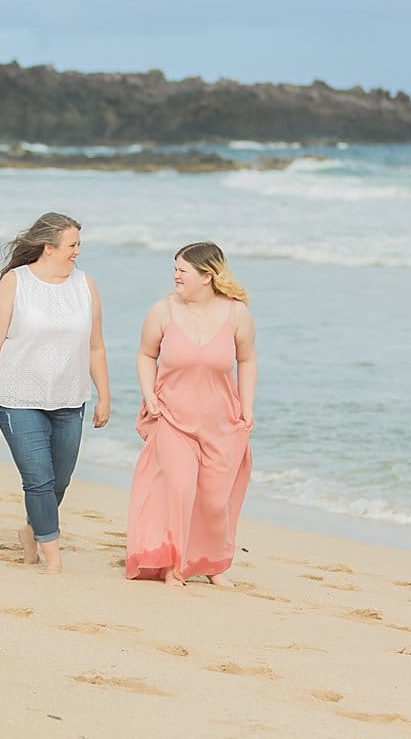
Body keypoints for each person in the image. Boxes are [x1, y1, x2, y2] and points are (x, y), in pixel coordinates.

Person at [0, 212, 110, 574]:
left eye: (79, 244)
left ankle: (33, 531)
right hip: (17, 398)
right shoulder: (15, 283)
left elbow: (96, 346)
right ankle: (53, 560)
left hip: (69, 397)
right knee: (38, 479)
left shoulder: (86, 285)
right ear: (48, 247)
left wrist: (104, 395)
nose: (77, 252)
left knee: (59, 481)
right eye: (72, 245)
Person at [125, 242, 256, 587]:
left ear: (207, 276)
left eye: (182, 270)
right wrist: (149, 394)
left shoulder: (236, 314)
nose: (175, 276)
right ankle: (173, 565)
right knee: (180, 488)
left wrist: (247, 406)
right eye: (175, 268)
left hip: (221, 421)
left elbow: (248, 360)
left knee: (214, 501)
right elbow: (144, 355)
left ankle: (213, 565)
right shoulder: (163, 311)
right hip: (172, 416)